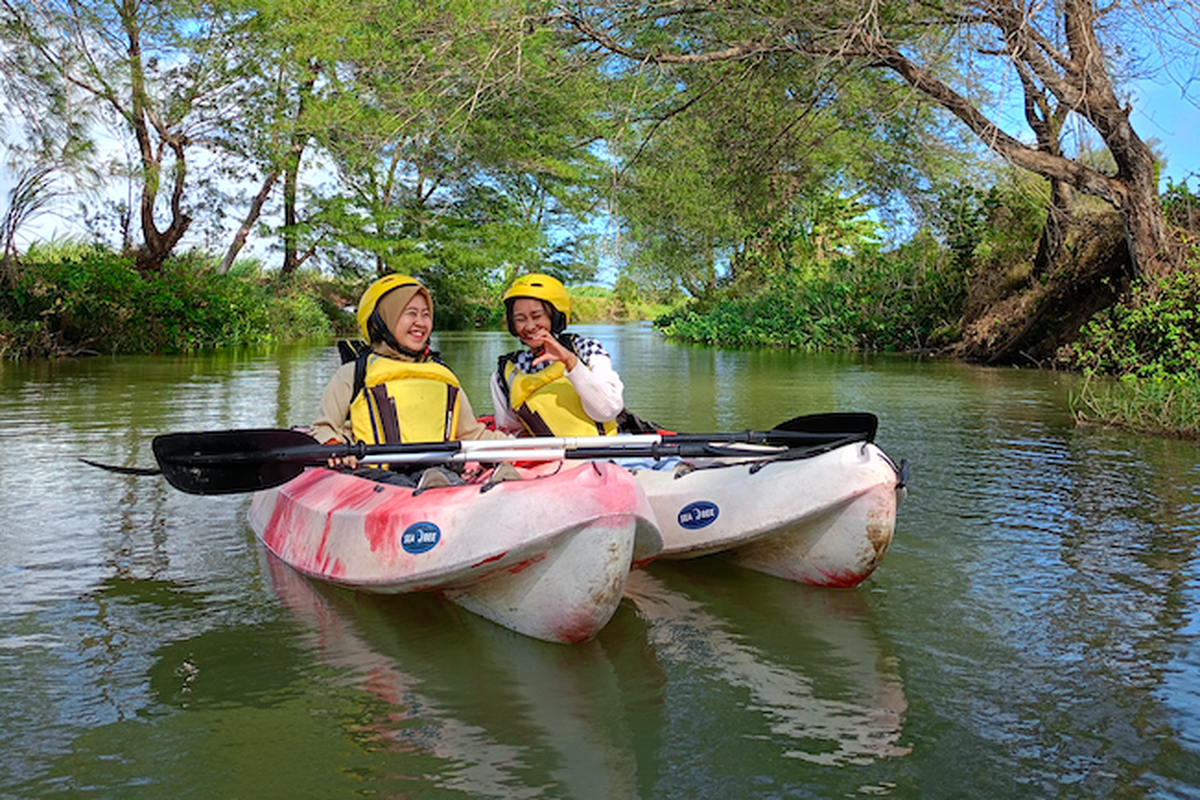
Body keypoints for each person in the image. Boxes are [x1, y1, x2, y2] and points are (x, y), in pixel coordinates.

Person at [312, 274, 510, 486]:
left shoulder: (442, 377)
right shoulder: (354, 374)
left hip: (437, 470)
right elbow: (323, 428)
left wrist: (516, 447)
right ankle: (430, 489)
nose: (420, 322)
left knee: (445, 479)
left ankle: (490, 487)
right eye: (410, 313)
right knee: (409, 482)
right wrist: (335, 445)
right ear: (381, 320)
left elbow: (471, 434)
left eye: (426, 314)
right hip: (372, 477)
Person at [490, 273, 632, 437]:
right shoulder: (505, 375)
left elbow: (608, 410)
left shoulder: (588, 350)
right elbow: (511, 430)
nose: (529, 326)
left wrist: (570, 362)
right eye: (520, 319)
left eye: (537, 316)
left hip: (603, 453)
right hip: (548, 459)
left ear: (556, 317)